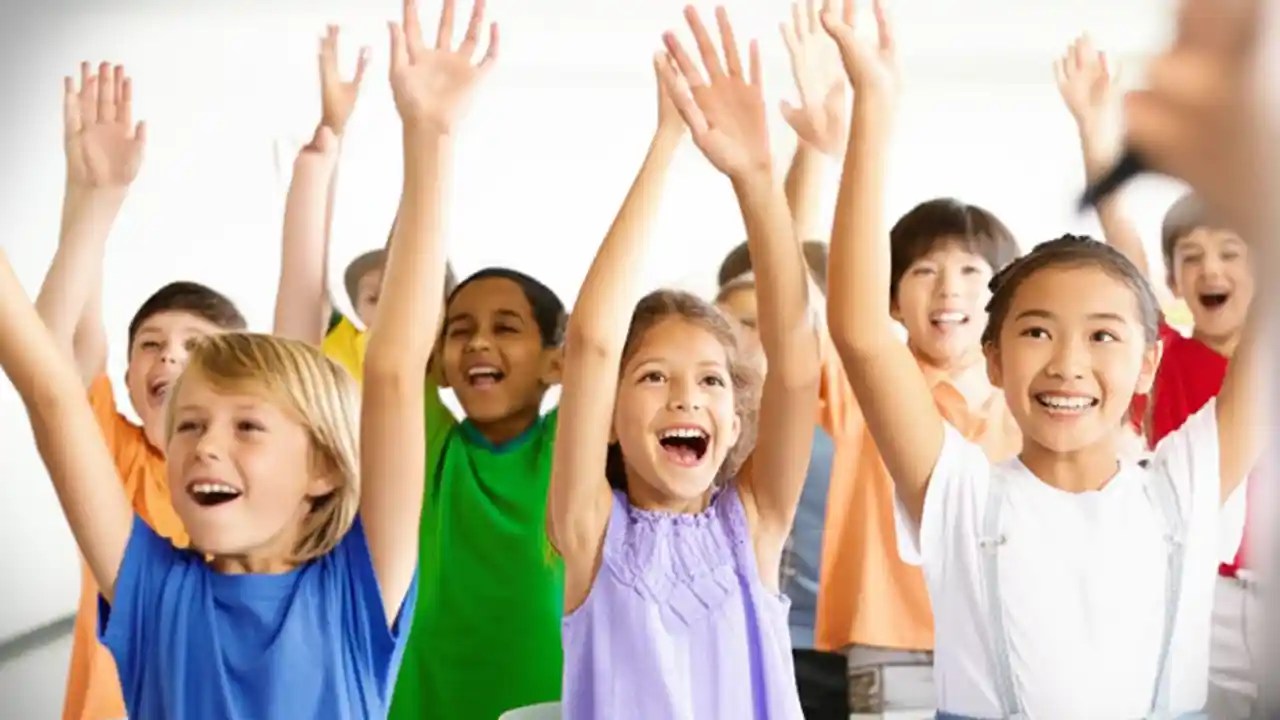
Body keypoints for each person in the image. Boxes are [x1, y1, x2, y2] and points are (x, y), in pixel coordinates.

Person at [822, 0, 1262, 716]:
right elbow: (861, 334)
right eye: (1036, 333)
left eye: (1102, 336)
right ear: (993, 361)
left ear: (1148, 364)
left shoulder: (1183, 485)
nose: (1067, 363)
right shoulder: (960, 493)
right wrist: (873, 104)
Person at [550, 7, 818, 717]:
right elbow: (593, 343)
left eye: (710, 380)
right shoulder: (590, 530)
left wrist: (756, 176)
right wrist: (665, 143)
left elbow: (794, 359)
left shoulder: (754, 523)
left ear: (735, 421)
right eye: (653, 377)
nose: (685, 398)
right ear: (607, 418)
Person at [1055, 34, 1261, 717]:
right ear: (1172, 279)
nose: (1211, 270)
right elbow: (1123, 240)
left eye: (1231, 253)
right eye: (1193, 258)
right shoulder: (1164, 349)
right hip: (1202, 586)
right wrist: (1095, 127)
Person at [36, 61, 247, 720]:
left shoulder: (266, 470)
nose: (169, 356)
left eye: (195, 345)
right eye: (151, 346)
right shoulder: (116, 456)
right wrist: (90, 198)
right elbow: (59, 345)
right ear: (130, 378)